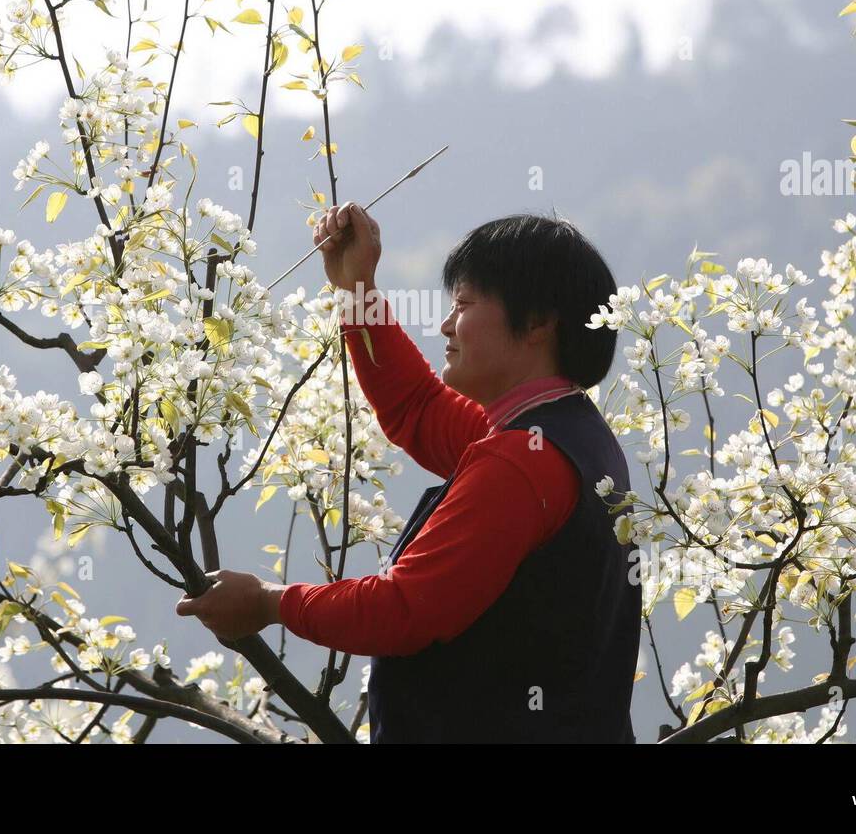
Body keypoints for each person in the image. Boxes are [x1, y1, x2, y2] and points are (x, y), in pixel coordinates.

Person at [177, 202, 640, 743]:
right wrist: (356, 290)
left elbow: (401, 609)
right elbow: (416, 408)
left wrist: (266, 602)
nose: (446, 324)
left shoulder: (522, 460)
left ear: (537, 322)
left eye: (464, 304)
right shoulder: (560, 434)